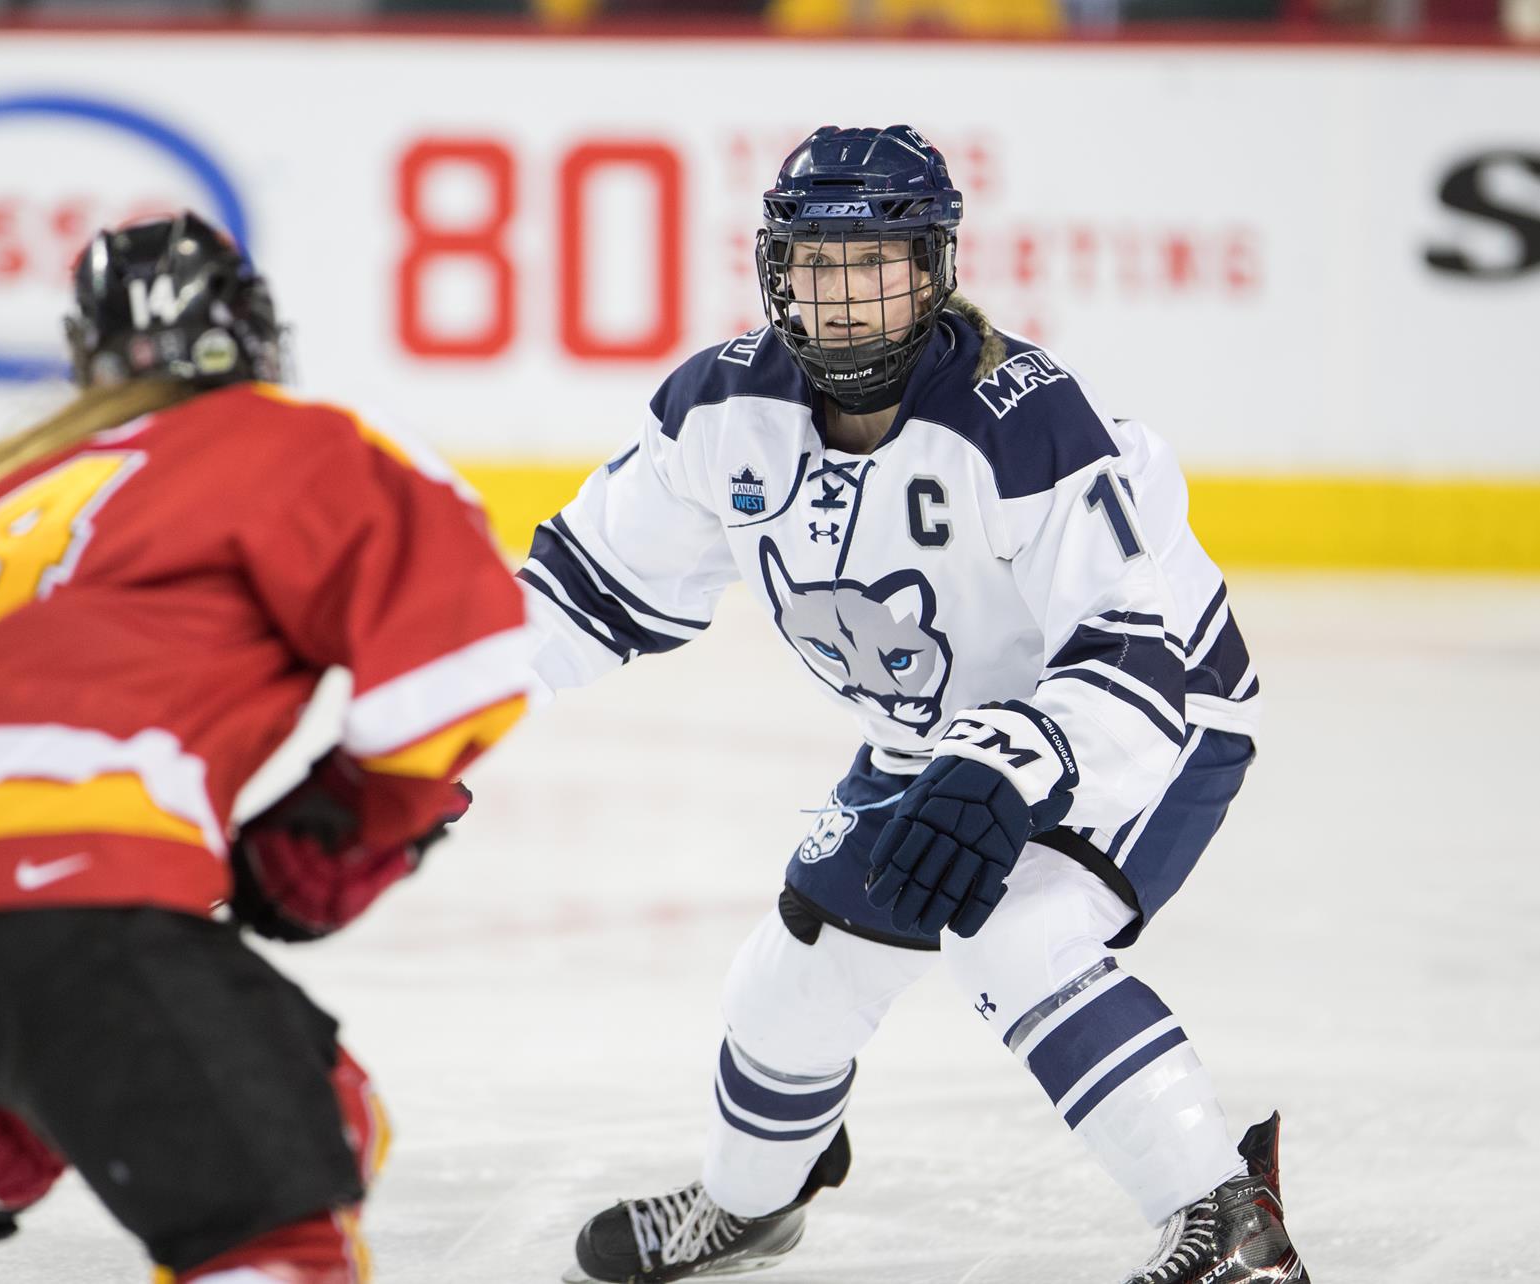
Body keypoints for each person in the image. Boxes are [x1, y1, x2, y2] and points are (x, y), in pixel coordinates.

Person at [520, 127, 1308, 1284]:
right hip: (941, 735)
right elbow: (578, 595)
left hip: (1143, 714)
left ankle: (1228, 1221)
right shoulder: (722, 410)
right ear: (772, 270)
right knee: (790, 978)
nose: (842, 301)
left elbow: (1131, 659)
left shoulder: (1022, 418)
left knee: (1015, 930)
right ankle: (750, 1205)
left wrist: (1012, 762)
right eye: (816, 268)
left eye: (875, 266)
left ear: (932, 269)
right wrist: (423, 715)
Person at [0, 211, 534, 1284]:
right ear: (249, 335)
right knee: (278, 1235)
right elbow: (460, 661)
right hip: (78, 913)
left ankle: (13, 1112)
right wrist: (342, 829)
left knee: (319, 1112)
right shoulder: (286, 439)